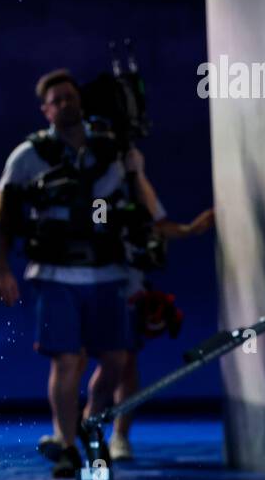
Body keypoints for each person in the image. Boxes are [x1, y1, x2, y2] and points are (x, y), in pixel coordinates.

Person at [0, 69, 167, 478]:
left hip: (108, 272)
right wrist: (1, 268)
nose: (67, 104)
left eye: (72, 97)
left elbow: (145, 203)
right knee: (67, 362)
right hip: (56, 273)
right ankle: (67, 443)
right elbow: (1, 216)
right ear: (45, 109)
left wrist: (167, 229)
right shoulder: (27, 156)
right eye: (58, 100)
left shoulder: (114, 149)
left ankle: (90, 421)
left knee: (117, 360)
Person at [89, 159, 213, 461]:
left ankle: (119, 435)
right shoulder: (82, 173)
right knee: (79, 361)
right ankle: (78, 432)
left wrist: (188, 229)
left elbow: (158, 224)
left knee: (125, 361)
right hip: (86, 281)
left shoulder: (132, 176)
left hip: (128, 286)